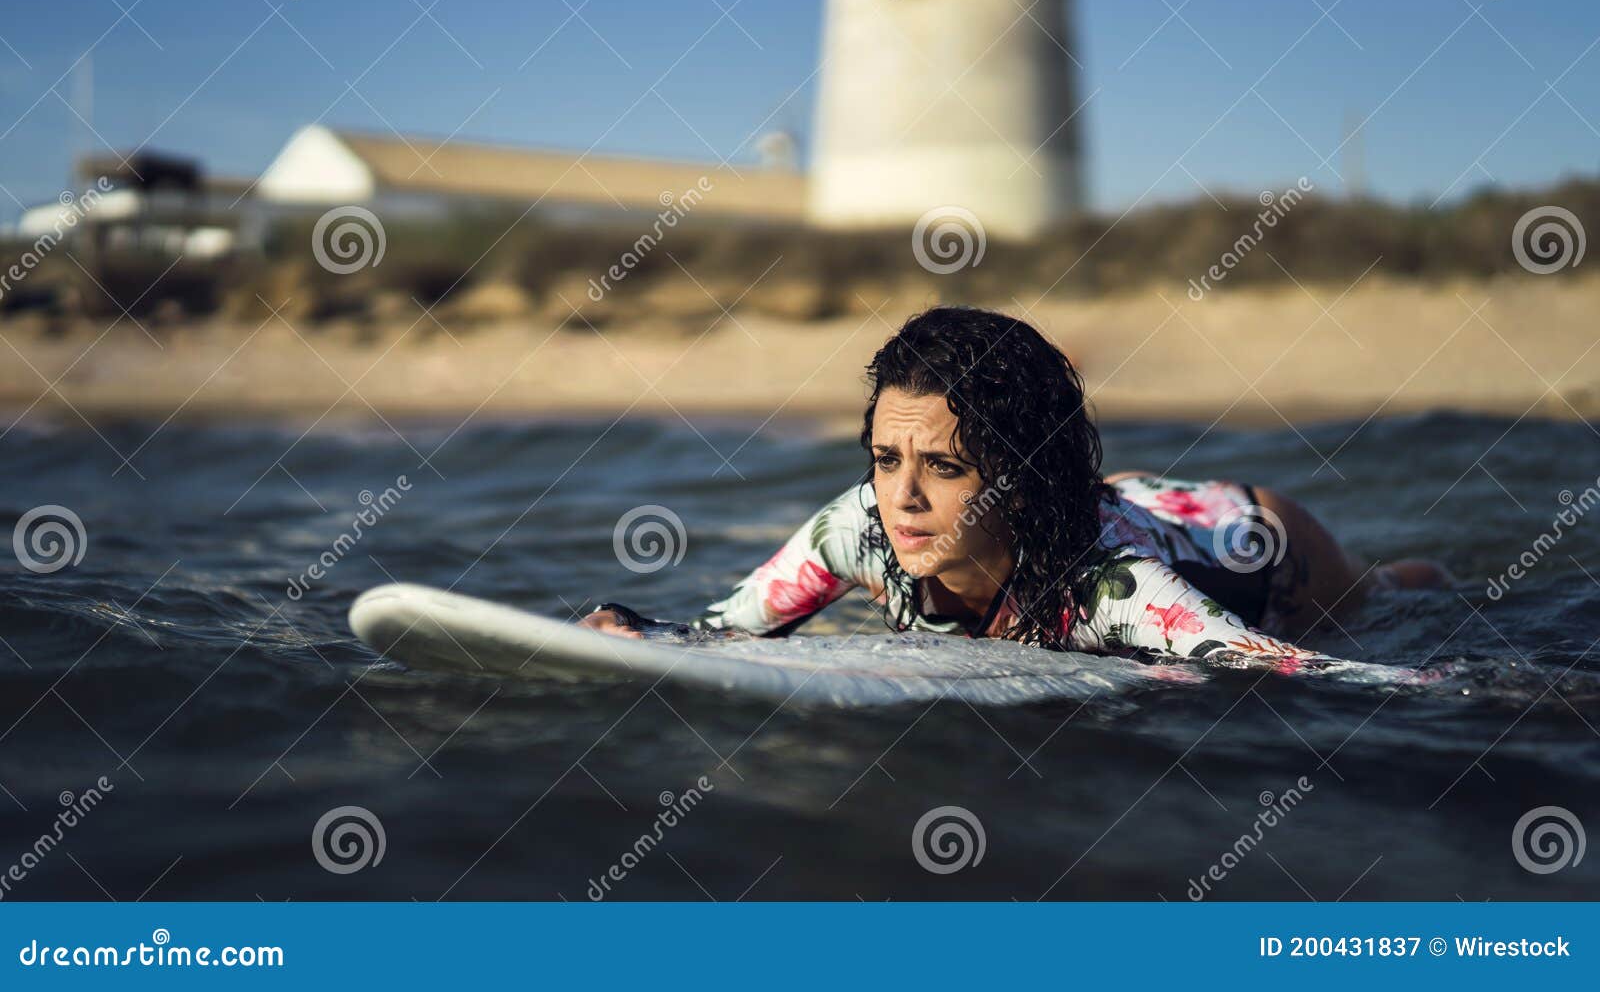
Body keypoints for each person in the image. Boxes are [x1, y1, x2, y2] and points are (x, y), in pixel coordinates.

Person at [580, 306, 1454, 675]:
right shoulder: (857, 528)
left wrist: (1498, 690)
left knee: (1382, 595)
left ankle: (1430, 573)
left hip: (1255, 539)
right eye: (887, 459)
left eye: (945, 468)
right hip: (1114, 502)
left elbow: (1314, 672)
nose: (903, 498)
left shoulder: (1111, 592)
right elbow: (717, 630)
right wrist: (628, 625)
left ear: (1017, 477)